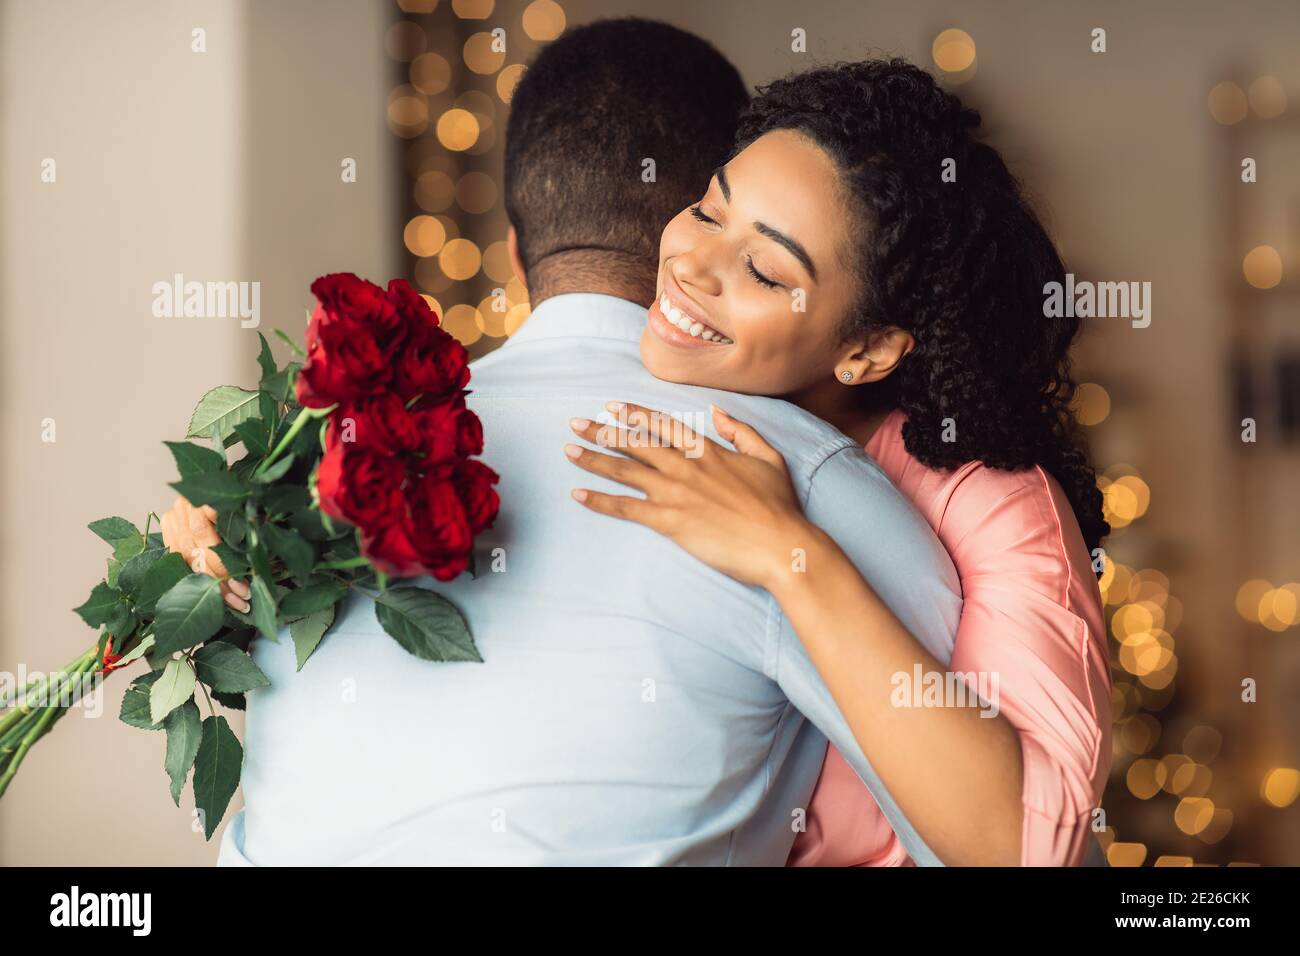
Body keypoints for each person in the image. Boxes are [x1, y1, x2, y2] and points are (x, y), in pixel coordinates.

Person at [179, 20, 963, 866]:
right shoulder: (812, 486)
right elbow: (997, 837)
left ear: (514, 251)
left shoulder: (314, 470)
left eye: (767, 265)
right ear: (684, 225)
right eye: (706, 211)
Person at [564, 60, 1111, 866]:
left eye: (763, 270)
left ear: (867, 348)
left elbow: (1025, 845)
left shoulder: (993, 502)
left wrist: (791, 557)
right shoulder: (625, 395)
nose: (689, 265)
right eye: (708, 211)